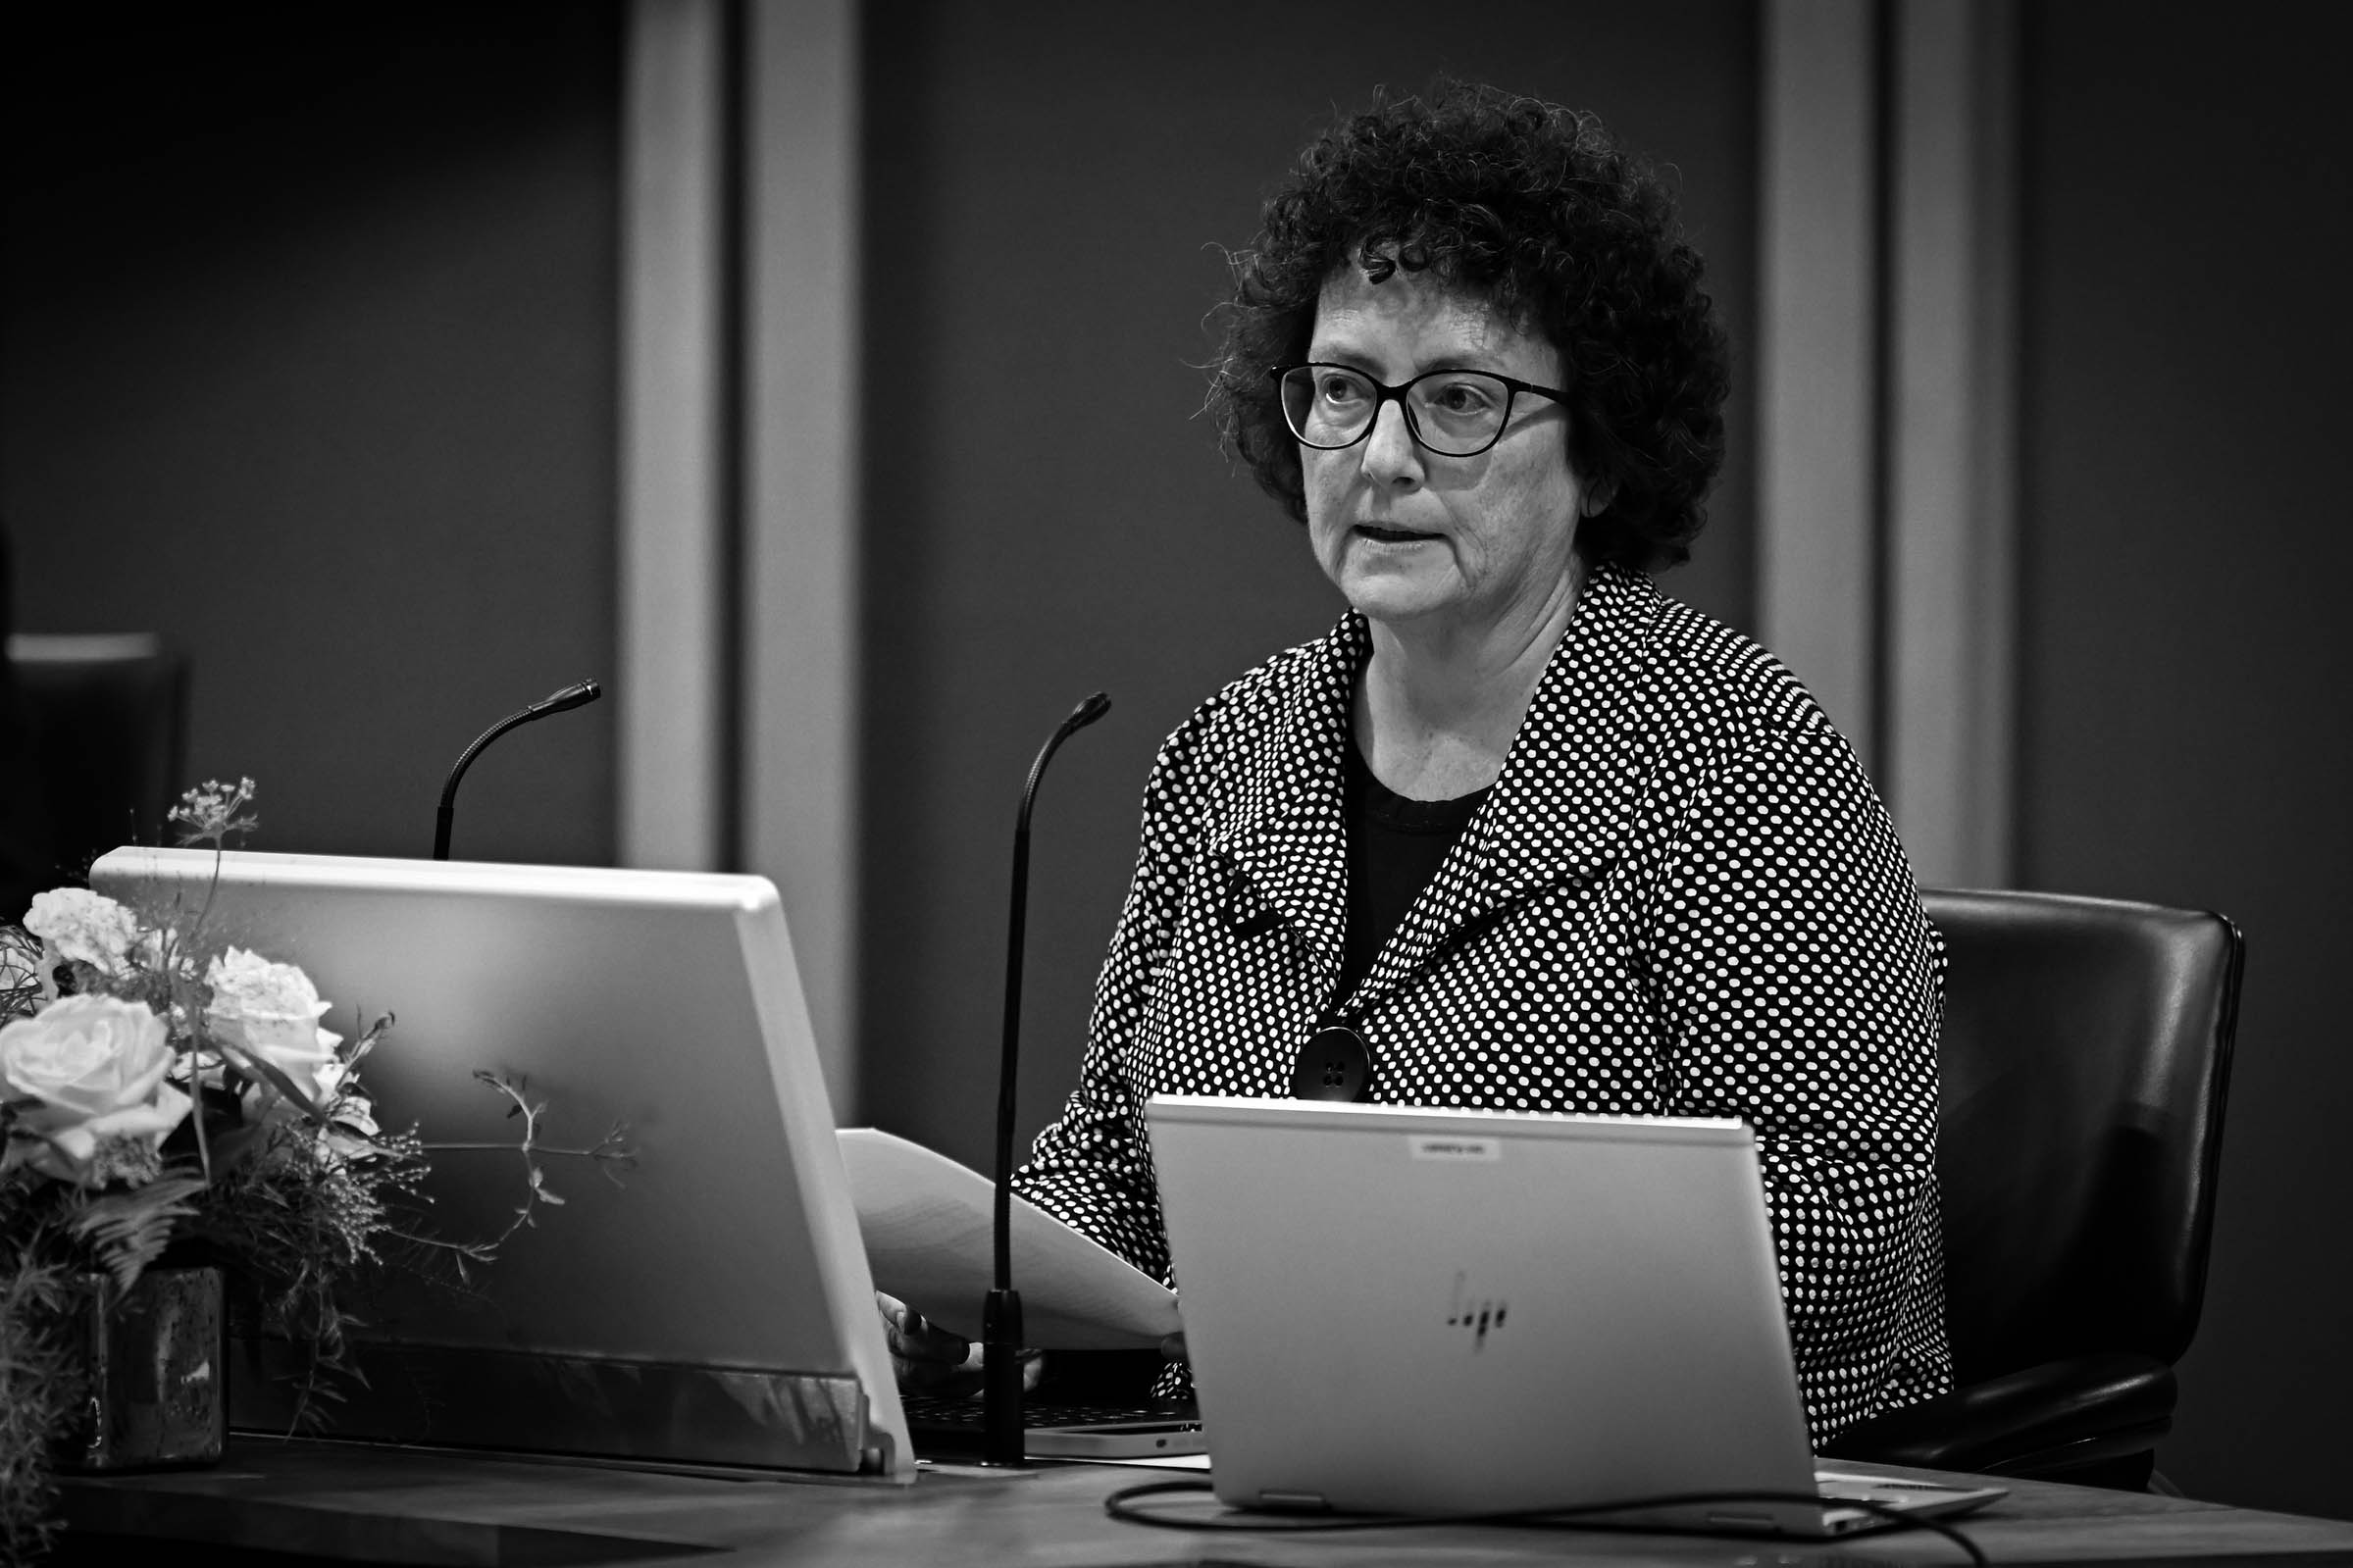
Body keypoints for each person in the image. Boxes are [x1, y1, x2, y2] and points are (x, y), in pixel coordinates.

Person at [891, 80, 1950, 1448]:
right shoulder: (1229, 748)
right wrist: (978, 1293)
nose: (1380, 458)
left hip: (1640, 1493)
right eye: (1342, 392)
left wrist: (1435, 1306)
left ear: (1603, 450)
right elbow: (1114, 1165)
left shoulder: (1733, 751)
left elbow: (1841, 1221)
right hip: (1244, 1479)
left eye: (1457, 399)